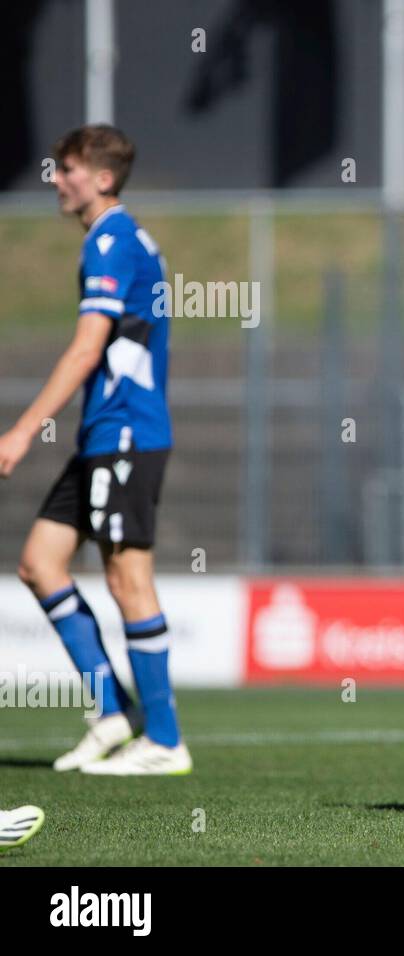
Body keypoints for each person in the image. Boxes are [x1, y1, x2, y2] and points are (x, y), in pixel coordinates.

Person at [0, 125, 190, 776]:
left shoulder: (109, 240)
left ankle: (163, 740)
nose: (56, 179)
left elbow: (88, 348)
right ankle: (114, 712)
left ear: (102, 179)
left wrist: (23, 430)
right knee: (39, 562)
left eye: (69, 170)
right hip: (104, 436)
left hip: (126, 433)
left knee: (126, 577)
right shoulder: (123, 237)